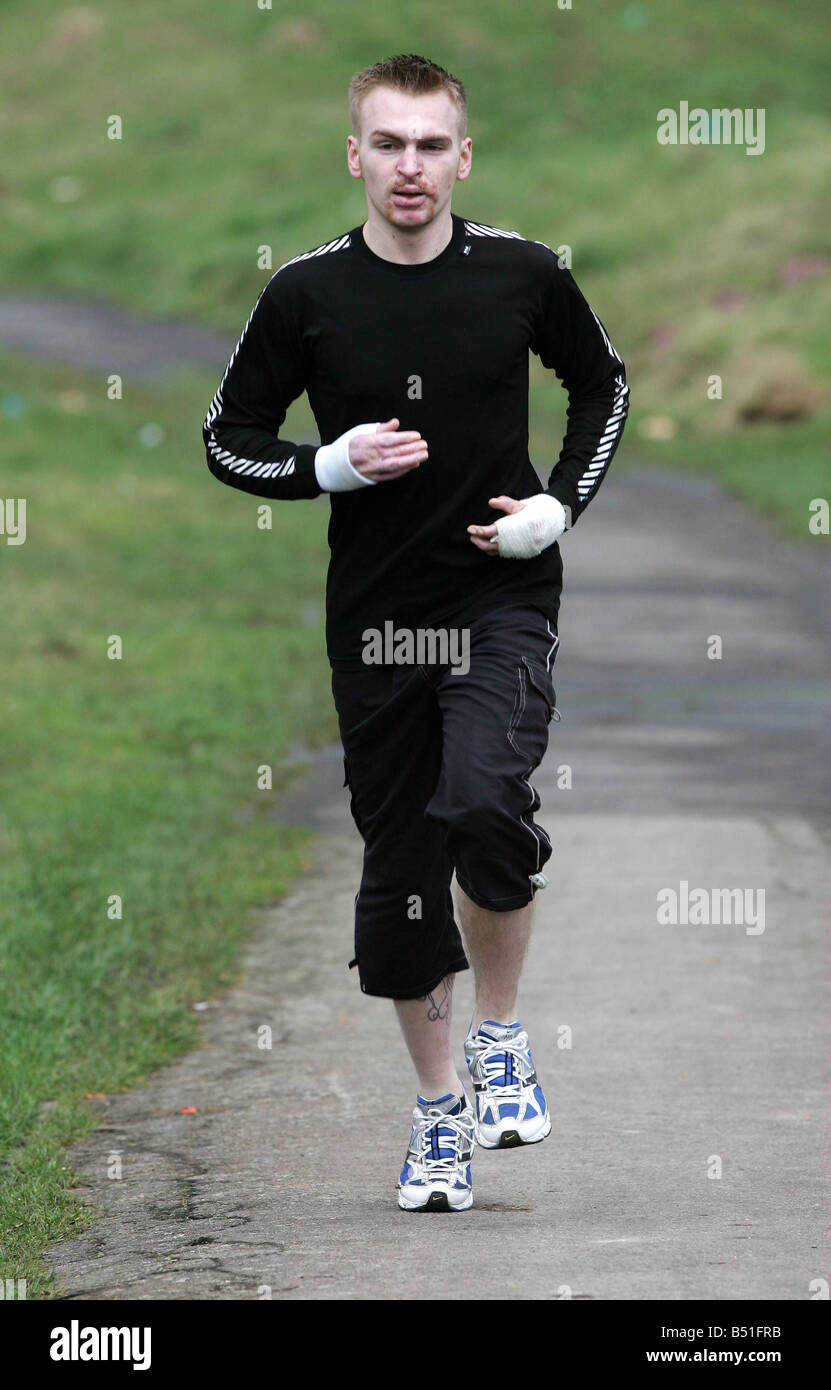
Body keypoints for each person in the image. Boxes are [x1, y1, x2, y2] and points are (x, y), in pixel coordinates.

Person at [202, 53, 629, 1212]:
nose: (409, 167)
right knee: (398, 878)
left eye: (430, 146)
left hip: (498, 597)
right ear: (354, 154)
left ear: (463, 156)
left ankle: (502, 1038)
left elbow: (607, 388)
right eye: (387, 144)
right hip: (378, 623)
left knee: (484, 798)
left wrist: (556, 507)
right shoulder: (305, 295)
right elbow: (228, 435)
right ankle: (438, 1117)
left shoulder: (524, 276)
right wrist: (325, 466)